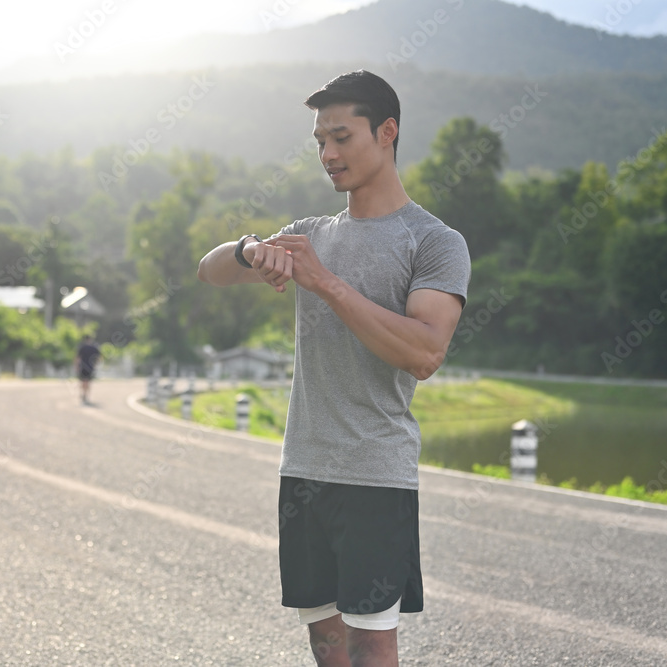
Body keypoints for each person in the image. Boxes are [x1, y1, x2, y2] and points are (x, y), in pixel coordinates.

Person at [197, 70, 470, 666]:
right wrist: (249, 249)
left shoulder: (433, 241)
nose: (327, 154)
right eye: (320, 141)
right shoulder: (307, 234)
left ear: (388, 132)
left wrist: (323, 282)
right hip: (304, 469)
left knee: (372, 640)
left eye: (342, 137)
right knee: (325, 638)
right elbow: (209, 270)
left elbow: (425, 353)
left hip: (376, 474)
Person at [74, 334, 101, 405]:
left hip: (83, 367)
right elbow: (98, 358)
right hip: (90, 367)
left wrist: (76, 367)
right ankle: (86, 395)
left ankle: (83, 394)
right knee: (88, 381)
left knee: (83, 381)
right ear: (90, 339)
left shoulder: (82, 348)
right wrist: (95, 365)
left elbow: (78, 358)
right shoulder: (94, 348)